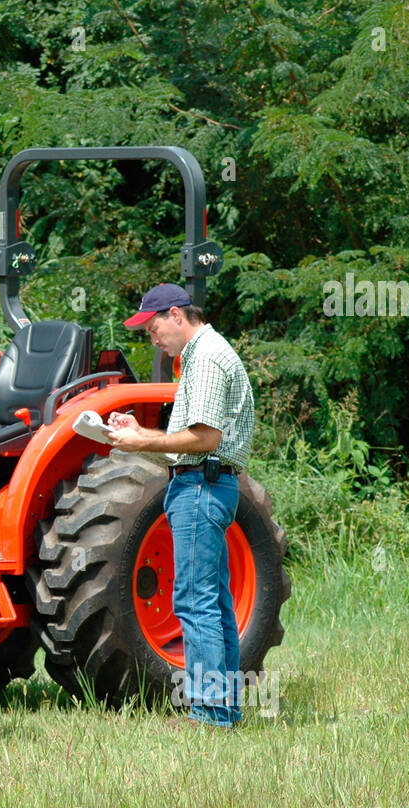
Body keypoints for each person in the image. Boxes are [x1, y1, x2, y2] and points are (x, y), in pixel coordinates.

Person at [107, 283, 255, 729]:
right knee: (214, 601)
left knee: (194, 602)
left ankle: (210, 713)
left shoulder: (206, 357)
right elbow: (192, 438)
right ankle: (223, 710)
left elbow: (205, 438)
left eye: (153, 328)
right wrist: (140, 432)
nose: (152, 338)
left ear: (176, 314)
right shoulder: (203, 354)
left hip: (201, 488)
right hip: (208, 484)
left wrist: (141, 441)